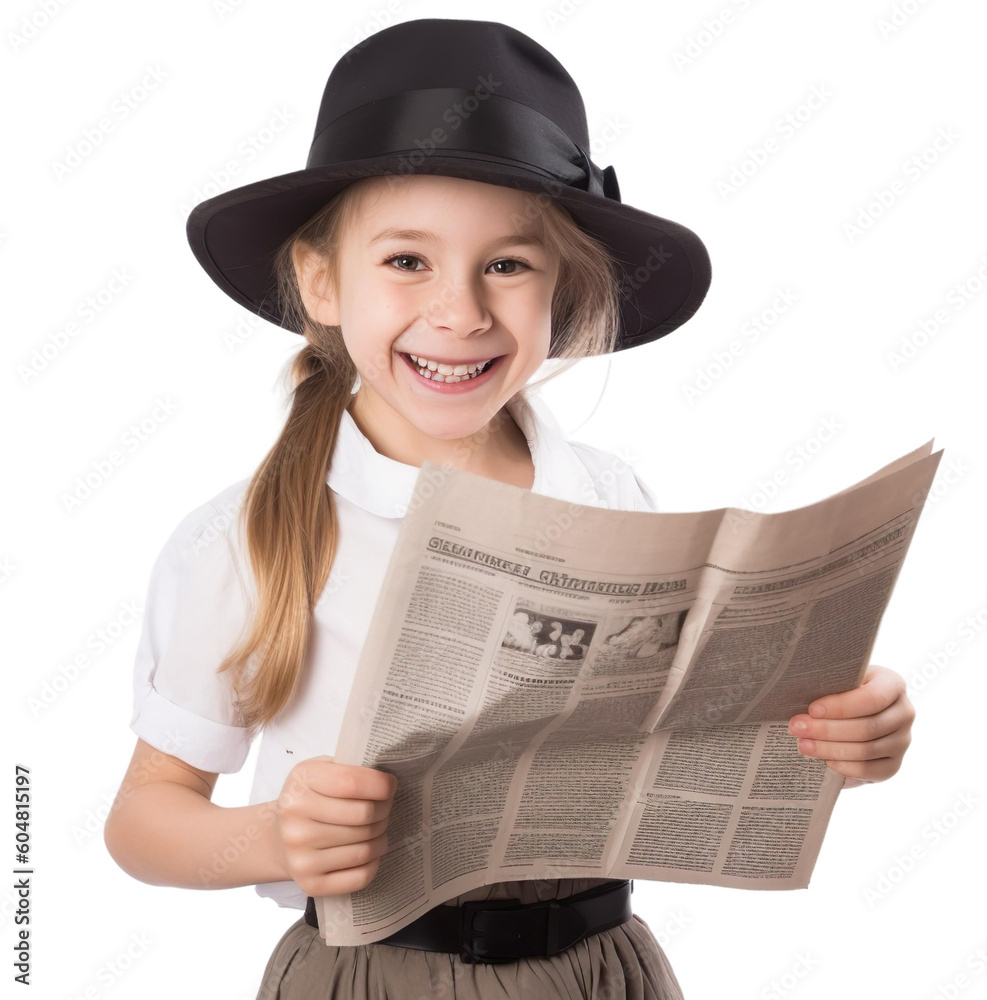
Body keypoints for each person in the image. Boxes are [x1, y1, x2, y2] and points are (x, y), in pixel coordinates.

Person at [102, 18, 916, 1000]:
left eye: (508, 265)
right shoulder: (240, 541)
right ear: (322, 281)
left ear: (561, 290)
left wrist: (839, 724)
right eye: (407, 260)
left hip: (601, 969)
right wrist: (269, 833)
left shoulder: (610, 496)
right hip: (367, 974)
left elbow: (692, 725)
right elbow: (145, 815)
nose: (460, 312)